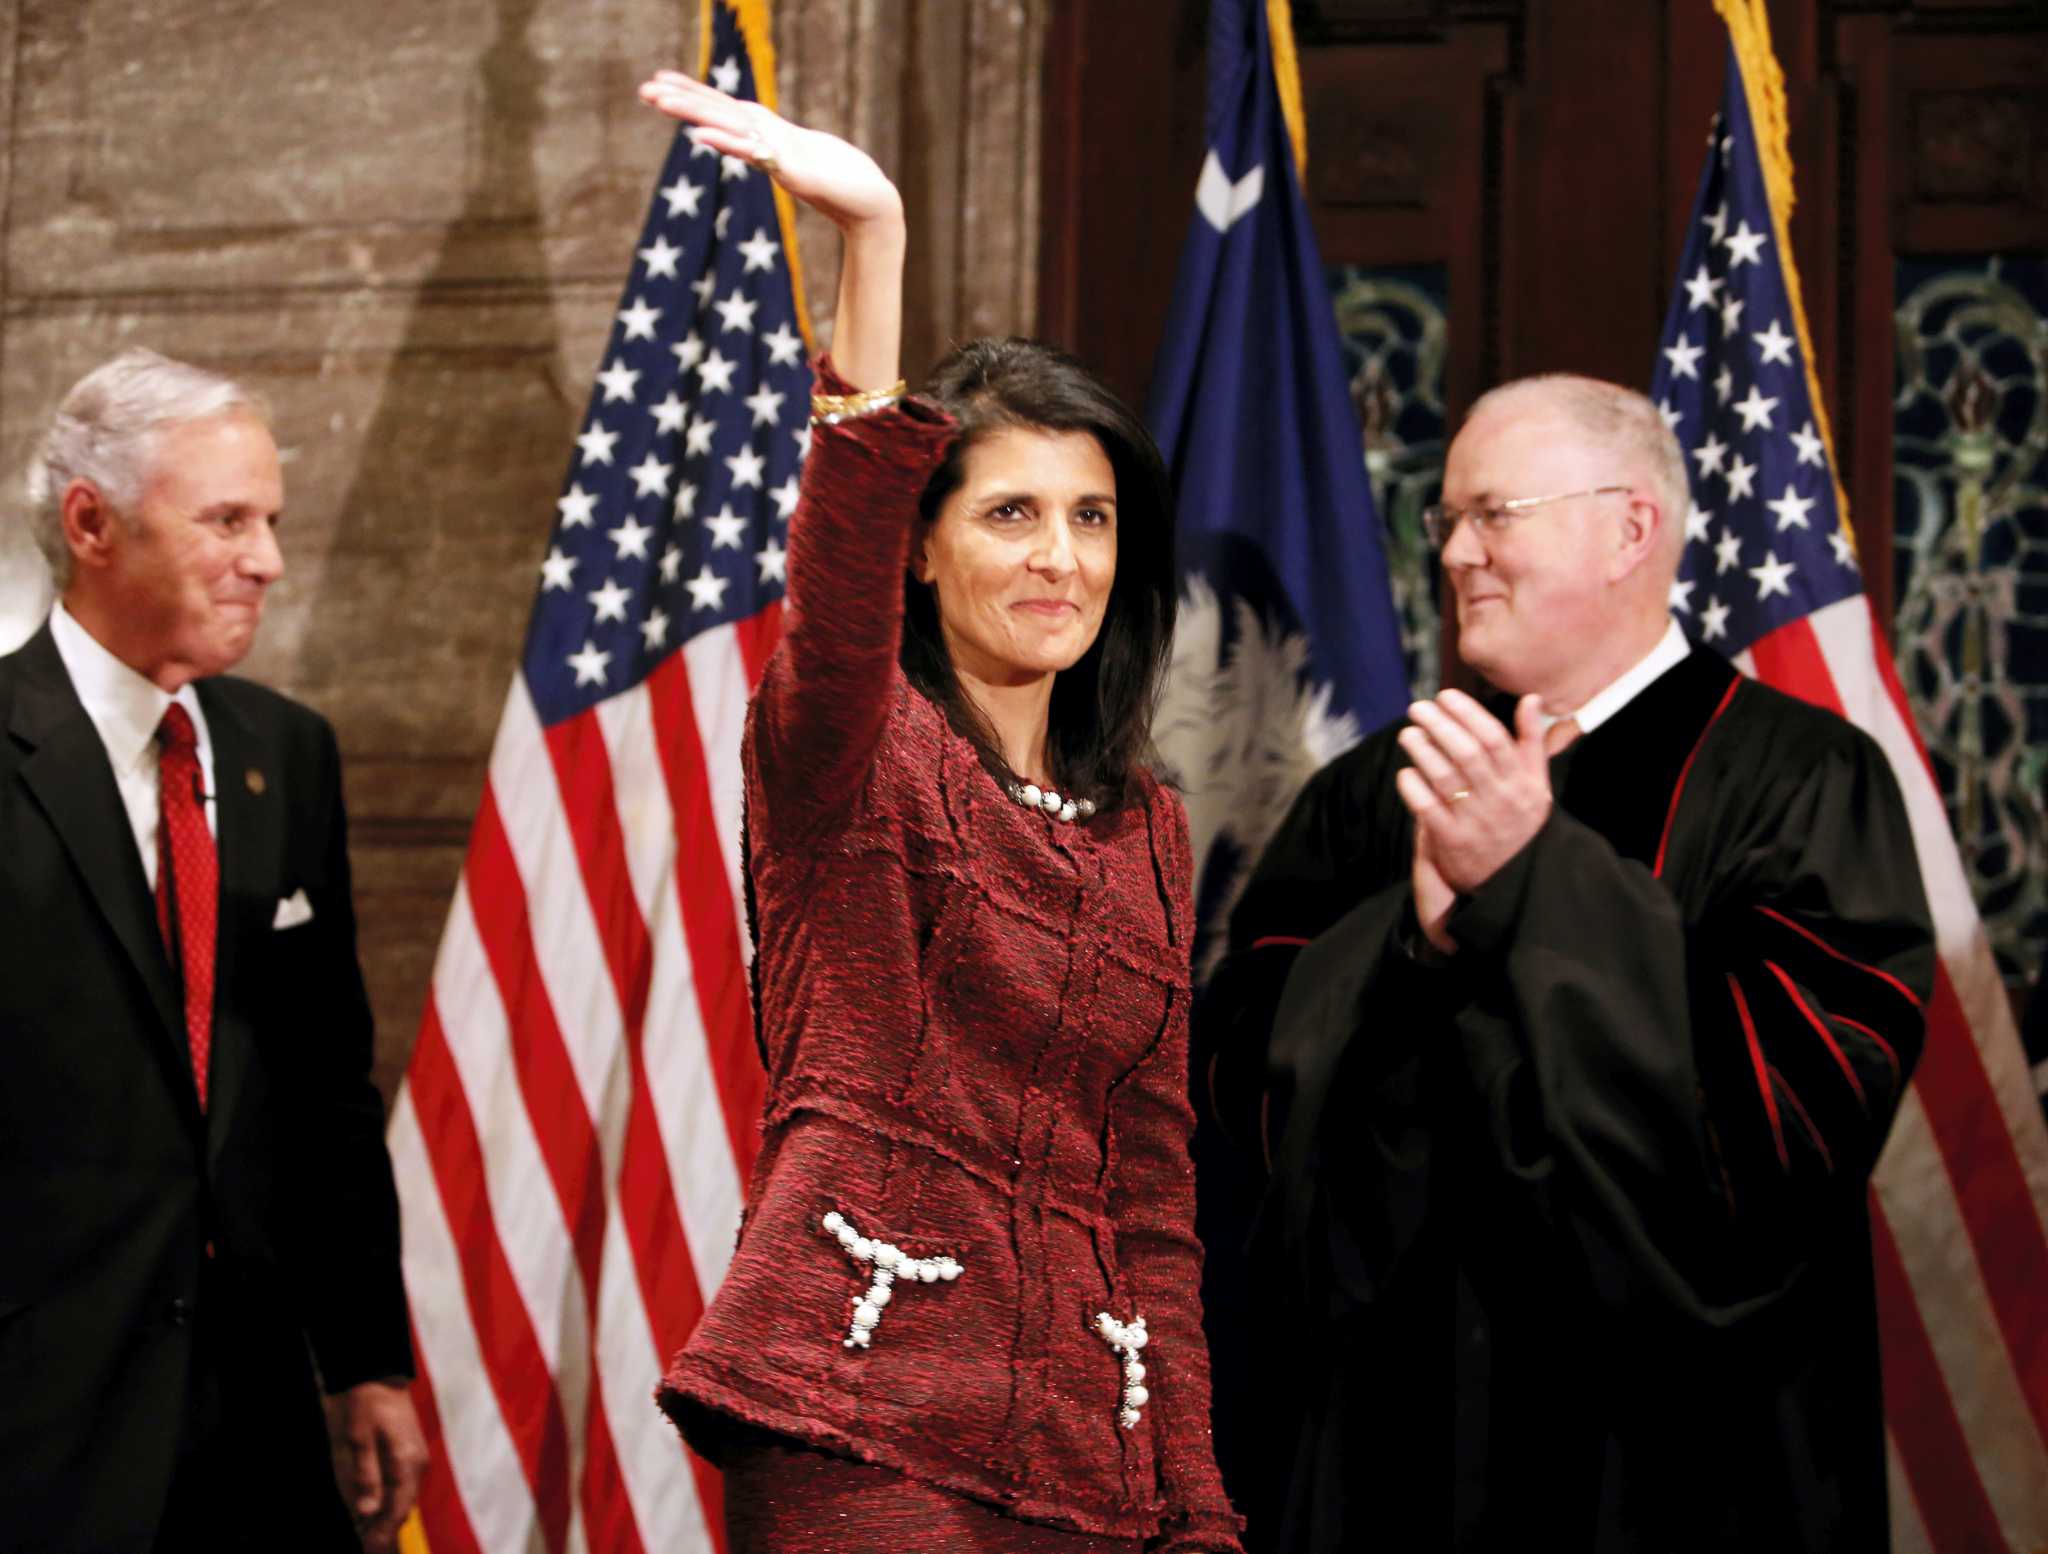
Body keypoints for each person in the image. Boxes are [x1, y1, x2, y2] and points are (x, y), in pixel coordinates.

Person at [635, 72, 1242, 1554]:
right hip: (861, 1415)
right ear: (919, 551)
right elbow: (831, 592)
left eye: (1090, 517)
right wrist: (877, 238)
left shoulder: (1144, 827)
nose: (1061, 560)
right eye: (1010, 513)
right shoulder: (850, 750)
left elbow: (1149, 1186)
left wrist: (1197, 1502)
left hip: (1094, 1453)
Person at [1202, 374, 1934, 1552]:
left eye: (1495, 515)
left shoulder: (1804, 784)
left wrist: (1530, 889)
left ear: (1629, 528)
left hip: (1681, 1463)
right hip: (1397, 1451)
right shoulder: (1376, 789)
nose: (1456, 554)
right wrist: (1414, 945)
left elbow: (1787, 1129)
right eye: (1446, 521)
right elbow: (1243, 1077)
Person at [0, 350, 427, 1552]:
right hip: (43, 1426)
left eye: (272, 521)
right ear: (93, 522)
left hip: (257, 1425)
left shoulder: (284, 753)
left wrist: (366, 1365)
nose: (268, 561)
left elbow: (323, 1089)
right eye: (227, 520)